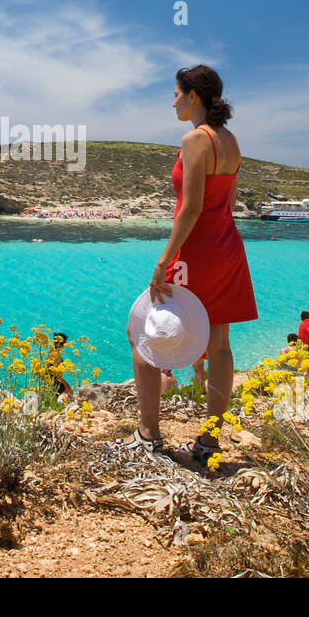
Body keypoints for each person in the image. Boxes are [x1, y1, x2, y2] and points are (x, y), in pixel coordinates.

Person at [107, 65, 259, 467]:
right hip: (226, 245)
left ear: (194, 96)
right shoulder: (229, 140)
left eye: (176, 93)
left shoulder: (194, 139)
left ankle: (148, 434)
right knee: (220, 345)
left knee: (142, 332)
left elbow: (190, 208)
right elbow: (226, 204)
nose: (172, 100)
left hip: (194, 249)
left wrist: (164, 259)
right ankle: (209, 442)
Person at [49, 332, 74, 401]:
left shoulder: (52, 351)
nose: (66, 344)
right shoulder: (56, 354)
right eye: (65, 342)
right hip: (55, 382)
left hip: (50, 380)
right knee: (69, 391)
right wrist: (66, 385)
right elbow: (57, 374)